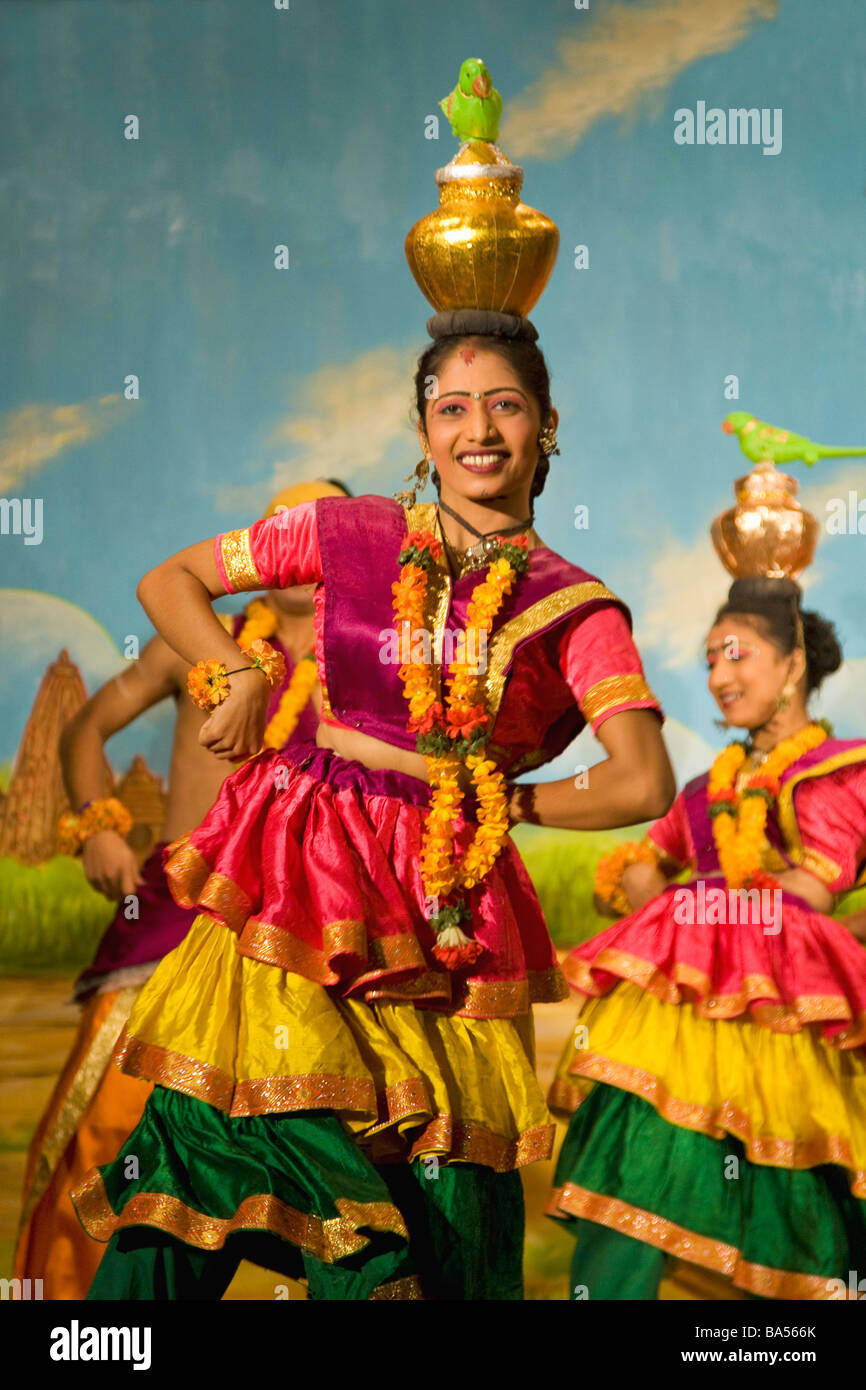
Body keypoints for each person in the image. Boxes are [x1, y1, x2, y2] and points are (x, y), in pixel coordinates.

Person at [70, 320, 675, 1301]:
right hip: (299, 864)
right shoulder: (348, 532)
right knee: (217, 1133)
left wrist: (492, 796)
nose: (477, 430)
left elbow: (641, 782)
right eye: (451, 407)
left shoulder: (575, 606)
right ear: (424, 430)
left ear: (547, 424)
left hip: (446, 907)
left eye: (505, 405)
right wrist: (232, 671)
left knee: (442, 1187)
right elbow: (169, 580)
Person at [15, 480, 347, 1300]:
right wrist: (96, 825)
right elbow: (86, 728)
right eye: (284, 532)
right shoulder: (200, 641)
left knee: (308, 1156)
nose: (300, 553)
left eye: (319, 534)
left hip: (295, 933)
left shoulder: (367, 667)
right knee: (107, 1124)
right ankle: (74, 1322)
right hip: (175, 913)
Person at [547, 574, 866, 1300]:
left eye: (737, 655)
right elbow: (643, 869)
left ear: (794, 664)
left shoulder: (839, 772)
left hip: (784, 1027)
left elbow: (814, 889)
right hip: (679, 1025)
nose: (719, 677)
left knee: (789, 1203)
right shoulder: (701, 791)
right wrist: (652, 891)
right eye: (711, 660)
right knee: (635, 1174)